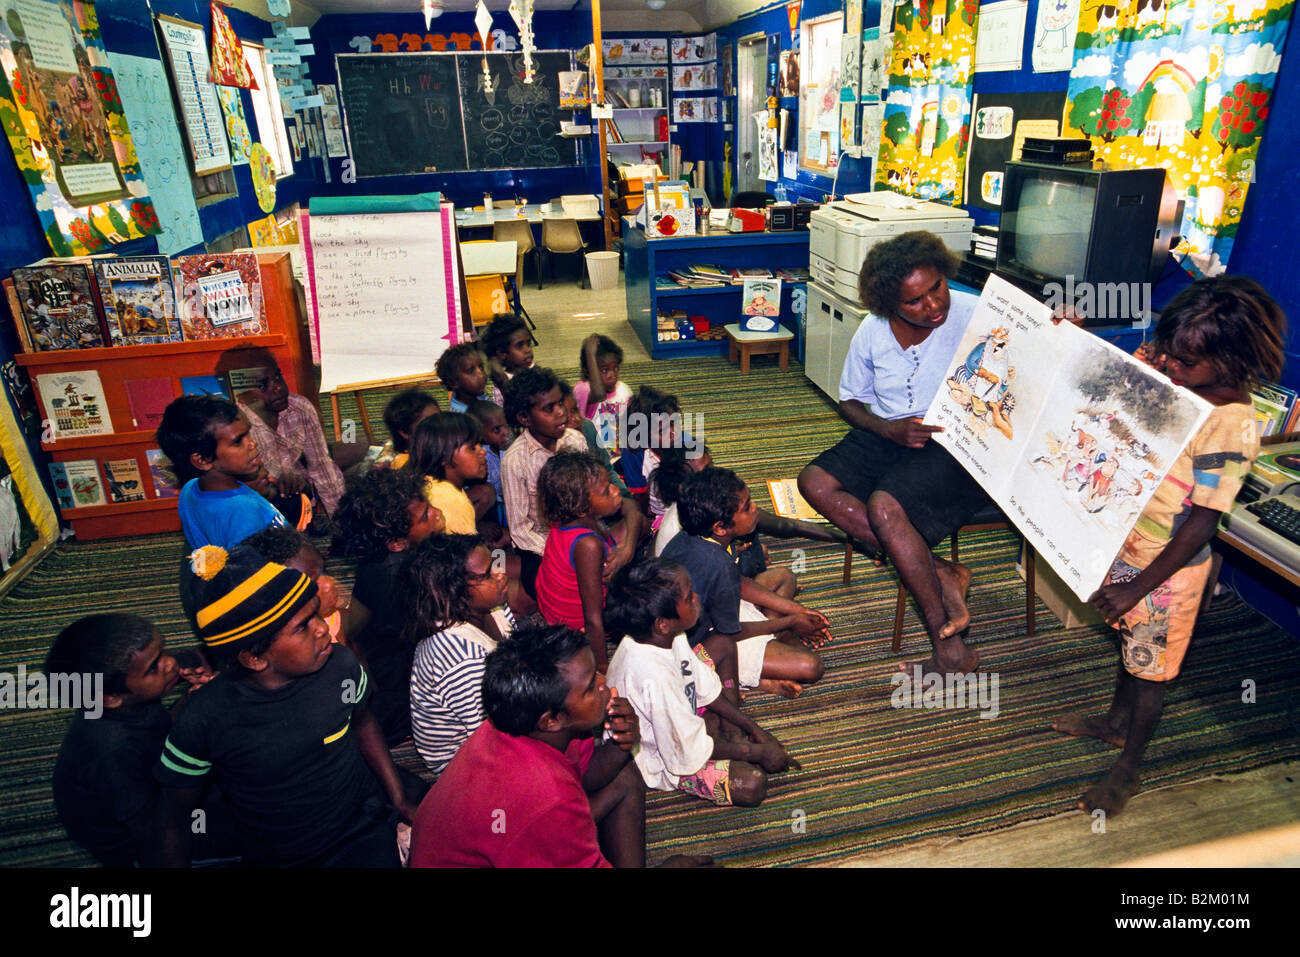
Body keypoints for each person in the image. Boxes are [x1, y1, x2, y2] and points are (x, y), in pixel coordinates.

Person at [1053, 275, 1286, 816]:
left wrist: (1139, 586)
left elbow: (1202, 522)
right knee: (1130, 650)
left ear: (1230, 361)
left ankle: (1128, 770)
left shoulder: (1231, 426)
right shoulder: (1182, 383)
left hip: (1165, 573)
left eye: (1185, 362)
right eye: (1169, 354)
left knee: (1151, 671)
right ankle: (1115, 723)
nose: (1171, 368)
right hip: (1129, 546)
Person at [797, 231, 990, 675]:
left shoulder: (976, 314)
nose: (934, 305)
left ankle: (949, 647)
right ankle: (941, 571)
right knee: (814, 482)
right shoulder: (872, 330)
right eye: (915, 301)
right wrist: (887, 428)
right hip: (889, 432)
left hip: (951, 440)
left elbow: (1036, 345)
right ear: (890, 305)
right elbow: (850, 401)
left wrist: (1061, 325)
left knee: (885, 509)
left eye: (937, 287)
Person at [155, 545, 421, 867]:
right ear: (254, 657)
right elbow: (176, 819)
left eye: (315, 615)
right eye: (302, 627)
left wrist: (397, 797)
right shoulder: (203, 718)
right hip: (281, 851)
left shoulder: (340, 666)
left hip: (360, 827)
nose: (323, 628)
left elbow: (363, 721)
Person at [408, 623, 646, 867]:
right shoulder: (544, 793)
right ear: (551, 720)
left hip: (504, 831)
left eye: (595, 672)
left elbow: (585, 777)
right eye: (589, 689)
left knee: (624, 777)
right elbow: (550, 804)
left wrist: (621, 744)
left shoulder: (525, 724)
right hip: (516, 827)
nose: (603, 683)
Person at [605, 560, 800, 806]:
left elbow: (700, 682)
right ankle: (727, 743)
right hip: (668, 759)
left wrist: (753, 729)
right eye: (688, 598)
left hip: (680, 714)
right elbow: (683, 748)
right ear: (662, 623)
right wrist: (757, 752)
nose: (696, 597)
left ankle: (731, 736)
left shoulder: (667, 635)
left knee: (723, 644)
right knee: (751, 784)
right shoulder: (653, 677)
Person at [47, 614, 216, 866]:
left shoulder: (128, 702)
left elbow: (158, 729)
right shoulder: (113, 751)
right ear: (109, 697)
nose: (170, 663)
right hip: (131, 836)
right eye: (154, 667)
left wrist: (192, 702)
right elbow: (151, 828)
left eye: (163, 652)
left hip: (144, 780)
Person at [661, 467, 827, 697]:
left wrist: (800, 610)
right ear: (720, 526)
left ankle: (770, 643)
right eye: (747, 507)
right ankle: (754, 679)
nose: (755, 508)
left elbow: (738, 583)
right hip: (699, 645)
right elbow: (728, 635)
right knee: (811, 666)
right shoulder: (716, 563)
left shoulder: (697, 535)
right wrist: (789, 621)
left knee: (784, 577)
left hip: (716, 610)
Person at [501, 367, 643, 596]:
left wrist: (602, 543)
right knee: (547, 584)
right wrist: (564, 551)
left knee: (635, 528)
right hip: (544, 547)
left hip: (585, 530)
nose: (561, 413)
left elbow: (593, 496)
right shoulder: (515, 460)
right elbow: (520, 530)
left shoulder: (575, 439)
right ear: (524, 418)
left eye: (560, 404)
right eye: (549, 408)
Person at [332, 468, 445, 744]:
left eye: (428, 507)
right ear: (396, 543)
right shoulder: (401, 581)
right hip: (395, 683)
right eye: (424, 517)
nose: (437, 513)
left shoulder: (388, 562)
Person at [403, 534, 516, 776]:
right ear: (458, 594)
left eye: (495, 564)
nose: (500, 573)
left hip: (496, 708)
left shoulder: (493, 606)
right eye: (487, 575)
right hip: (462, 758)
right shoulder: (464, 660)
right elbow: (488, 734)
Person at [217, 347, 347, 519]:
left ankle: (310, 510)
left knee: (354, 448)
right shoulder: (236, 427)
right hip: (257, 497)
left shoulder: (299, 407)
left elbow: (321, 467)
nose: (277, 387)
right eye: (262, 385)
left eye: (277, 377)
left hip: (296, 482)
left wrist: (341, 522)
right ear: (240, 393)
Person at [156, 395, 287, 550]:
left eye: (248, 433)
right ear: (202, 460)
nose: (253, 443)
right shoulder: (244, 511)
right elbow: (254, 570)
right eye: (238, 441)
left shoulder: (190, 489)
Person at [535, 451, 625, 672]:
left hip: (551, 611)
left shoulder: (568, 519)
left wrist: (627, 551)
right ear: (583, 507)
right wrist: (603, 669)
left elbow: (633, 510)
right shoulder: (587, 545)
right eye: (606, 491)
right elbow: (592, 618)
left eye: (611, 484)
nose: (615, 491)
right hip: (574, 628)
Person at [407, 412, 494, 535]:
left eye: (480, 444)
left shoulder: (433, 485)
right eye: (472, 448)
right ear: (443, 457)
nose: (483, 452)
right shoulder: (450, 500)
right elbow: (468, 553)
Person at [575, 334, 632, 457]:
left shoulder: (623, 389)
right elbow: (599, 394)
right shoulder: (584, 389)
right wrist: (590, 354)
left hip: (619, 452)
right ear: (588, 370)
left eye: (615, 368)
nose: (612, 374)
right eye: (605, 370)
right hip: (593, 455)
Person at [376, 388, 439, 470]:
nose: (440, 425)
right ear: (404, 432)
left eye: (440, 419)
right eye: (430, 423)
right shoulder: (405, 471)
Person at [481, 313, 534, 398]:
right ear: (502, 353)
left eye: (528, 344)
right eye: (519, 346)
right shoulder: (504, 382)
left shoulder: (531, 367)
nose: (528, 350)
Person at [436, 342, 493, 413]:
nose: (481, 375)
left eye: (481, 367)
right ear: (453, 382)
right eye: (470, 371)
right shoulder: (460, 419)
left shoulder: (482, 397)